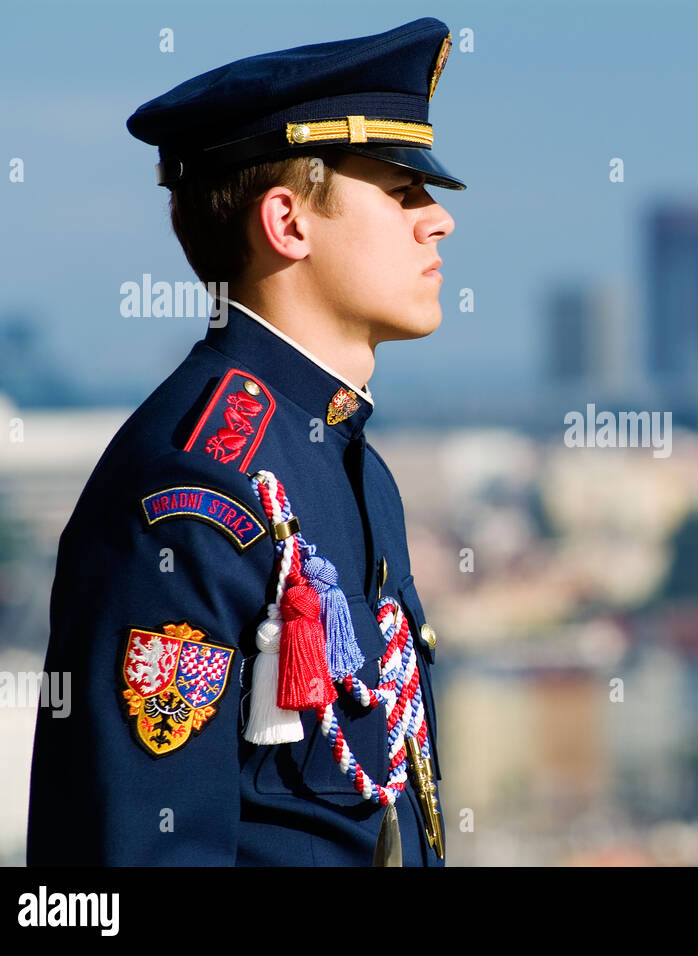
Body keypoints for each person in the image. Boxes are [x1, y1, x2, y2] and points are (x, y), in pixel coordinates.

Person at [26, 17, 462, 866]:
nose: (438, 221)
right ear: (288, 224)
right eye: (402, 191)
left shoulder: (348, 463)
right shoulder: (196, 489)